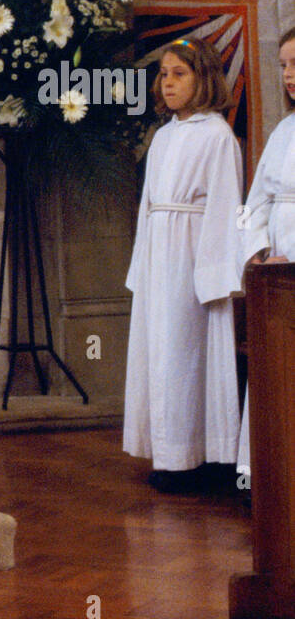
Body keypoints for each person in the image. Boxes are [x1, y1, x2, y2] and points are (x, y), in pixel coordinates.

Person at [124, 37, 244, 493]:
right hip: (160, 254)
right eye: (164, 74)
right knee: (160, 353)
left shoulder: (216, 135)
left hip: (194, 259)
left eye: (180, 74)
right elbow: (149, 207)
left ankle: (200, 456)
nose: (168, 82)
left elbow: (226, 207)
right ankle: (170, 451)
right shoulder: (165, 135)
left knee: (188, 355)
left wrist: (213, 275)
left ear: (204, 79)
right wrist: (144, 264)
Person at [236, 26, 295, 482]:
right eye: (283, 66)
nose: (289, 76)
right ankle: (269, 477)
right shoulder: (282, 132)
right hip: (277, 272)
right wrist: (257, 250)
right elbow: (253, 205)